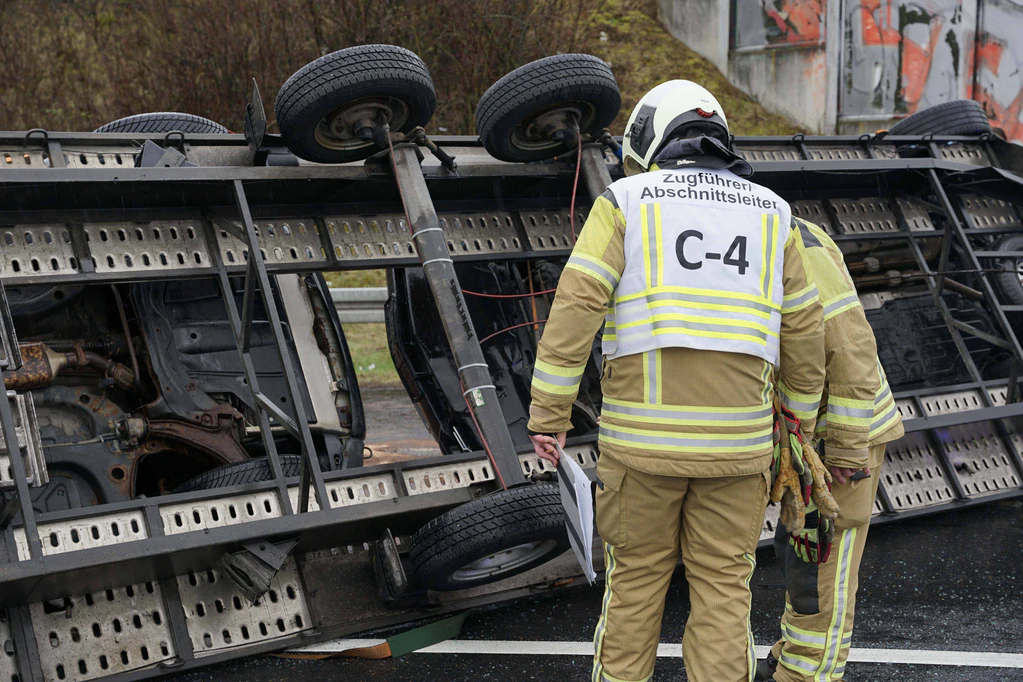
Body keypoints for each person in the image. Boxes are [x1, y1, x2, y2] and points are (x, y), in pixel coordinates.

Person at [526, 80, 827, 682]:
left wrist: (549, 416)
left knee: (635, 585)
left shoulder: (626, 201)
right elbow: (804, 332)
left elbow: (575, 310)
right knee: (724, 588)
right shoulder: (775, 214)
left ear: (650, 137)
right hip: (739, 451)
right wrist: (796, 430)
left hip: (641, 449)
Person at [756, 217, 904, 682]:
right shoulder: (757, 228)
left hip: (836, 434)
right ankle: (794, 651)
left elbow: (851, 347)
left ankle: (808, 672)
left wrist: (845, 450)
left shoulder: (793, 238)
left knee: (822, 562)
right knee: (798, 549)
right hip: (804, 437)